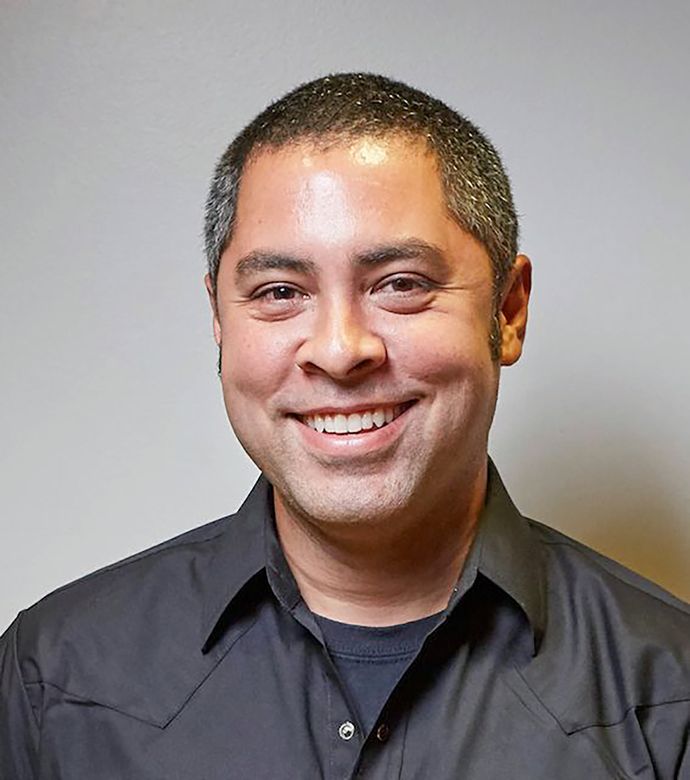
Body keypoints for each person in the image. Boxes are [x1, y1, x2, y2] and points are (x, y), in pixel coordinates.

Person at [1, 73, 688, 780]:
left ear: (507, 311)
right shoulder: (52, 677)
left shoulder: (672, 693)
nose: (338, 349)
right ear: (219, 318)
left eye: (401, 284)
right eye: (279, 293)